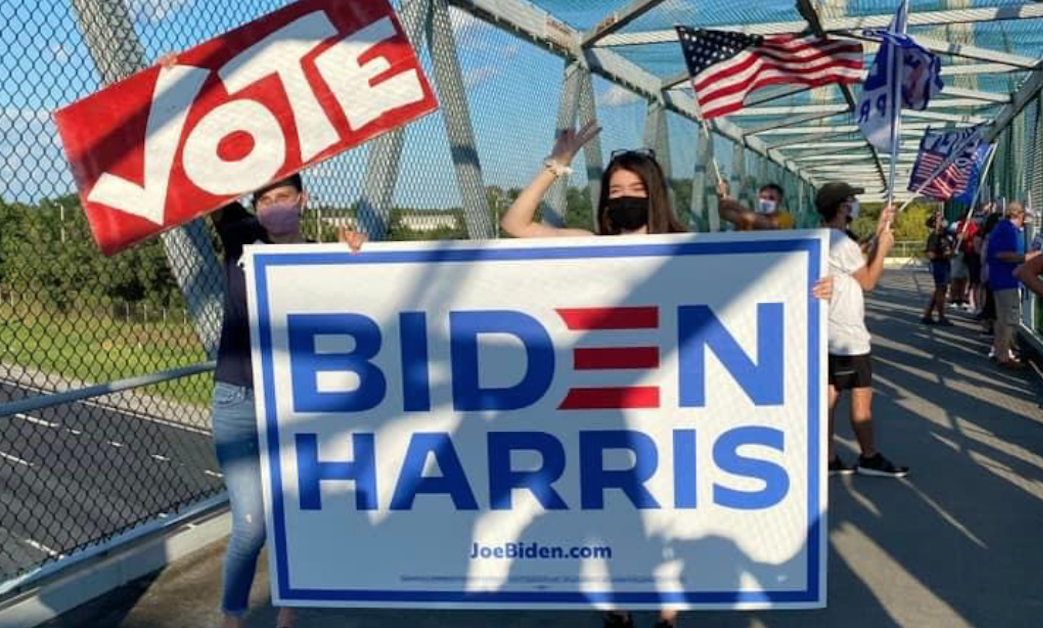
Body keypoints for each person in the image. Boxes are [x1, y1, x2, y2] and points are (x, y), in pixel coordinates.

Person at [502, 122, 831, 628]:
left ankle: (667, 611)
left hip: (676, 399)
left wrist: (809, 290)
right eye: (616, 191)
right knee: (616, 505)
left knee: (671, 504)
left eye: (636, 189)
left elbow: (759, 287)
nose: (625, 198)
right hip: (612, 402)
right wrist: (557, 163)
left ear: (654, 193)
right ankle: (618, 605)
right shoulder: (589, 244)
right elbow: (516, 225)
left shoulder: (688, 246)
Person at [210, 173, 365, 628]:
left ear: (302, 200)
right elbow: (199, 187)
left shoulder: (319, 255)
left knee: (294, 517)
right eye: (264, 200)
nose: (273, 206)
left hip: (297, 405)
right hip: (238, 400)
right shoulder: (241, 238)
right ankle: (232, 615)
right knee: (252, 524)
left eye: (282, 197)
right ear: (254, 206)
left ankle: (288, 611)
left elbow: (359, 302)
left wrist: (356, 251)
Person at [816, 182, 909, 479]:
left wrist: (879, 229)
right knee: (861, 399)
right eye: (852, 200)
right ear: (842, 207)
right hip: (848, 337)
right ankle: (869, 457)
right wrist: (883, 248)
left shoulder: (827, 238)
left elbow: (853, 258)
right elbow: (867, 280)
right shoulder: (839, 242)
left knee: (829, 398)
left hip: (829, 333)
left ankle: (827, 457)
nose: (855, 203)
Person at [986, 201, 1038, 369]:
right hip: (1006, 279)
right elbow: (1003, 255)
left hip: (1001, 279)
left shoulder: (1003, 228)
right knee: (1010, 319)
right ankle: (1004, 356)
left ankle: (999, 352)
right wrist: (1027, 258)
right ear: (1019, 214)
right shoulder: (1008, 230)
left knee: (1002, 319)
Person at [716, 180, 796, 230]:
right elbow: (724, 214)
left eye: (771, 198)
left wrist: (736, 205)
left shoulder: (787, 220)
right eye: (763, 198)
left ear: (780, 201)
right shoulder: (749, 218)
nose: (766, 201)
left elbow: (768, 225)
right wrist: (722, 196)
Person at [921, 212, 955, 326]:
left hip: (946, 264)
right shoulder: (934, 236)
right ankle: (941, 316)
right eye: (940, 219)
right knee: (941, 290)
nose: (943, 221)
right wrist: (944, 256)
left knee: (940, 290)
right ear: (935, 223)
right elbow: (930, 254)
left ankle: (928, 314)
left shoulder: (945, 234)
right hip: (939, 265)